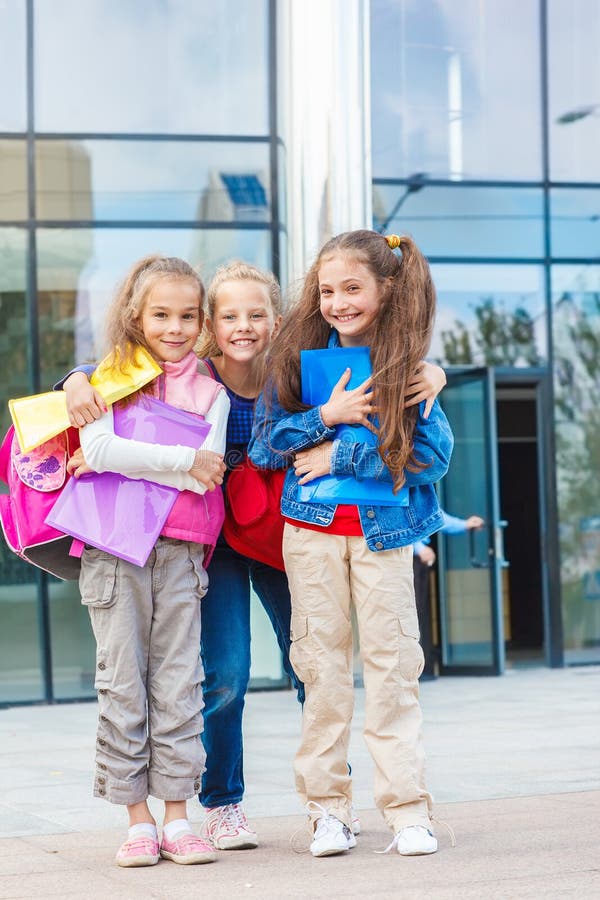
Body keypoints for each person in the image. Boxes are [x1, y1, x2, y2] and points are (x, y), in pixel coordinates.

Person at [62, 257, 447, 852]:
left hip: (278, 532)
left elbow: (390, 388)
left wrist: (433, 373)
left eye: (257, 314)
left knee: (313, 665)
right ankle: (224, 804)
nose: (243, 326)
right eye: (228, 316)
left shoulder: (292, 370)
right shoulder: (196, 373)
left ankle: (332, 801)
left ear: (277, 319)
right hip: (215, 538)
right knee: (226, 674)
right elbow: (127, 364)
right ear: (210, 326)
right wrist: (75, 375)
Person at [248, 229, 454, 859]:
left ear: (386, 290)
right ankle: (328, 811)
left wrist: (344, 451)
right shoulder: (297, 358)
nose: (338, 301)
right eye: (328, 289)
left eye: (353, 288)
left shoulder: (411, 371)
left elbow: (433, 455)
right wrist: (322, 418)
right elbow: (264, 447)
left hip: (383, 535)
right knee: (321, 670)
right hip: (309, 533)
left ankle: (408, 812)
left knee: (394, 670)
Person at [65, 255, 230, 868]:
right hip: (114, 550)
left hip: (182, 550)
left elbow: (208, 468)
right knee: (122, 681)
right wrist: (176, 460)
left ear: (202, 320)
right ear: (137, 315)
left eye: (188, 315)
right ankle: (136, 821)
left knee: (178, 683)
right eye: (161, 314)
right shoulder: (106, 376)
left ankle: (178, 818)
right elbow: (98, 447)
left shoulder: (211, 392)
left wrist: (157, 460)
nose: (175, 327)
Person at [413, 512, 485, 679]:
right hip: (407, 558)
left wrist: (464, 524)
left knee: (417, 613)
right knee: (409, 615)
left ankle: (417, 669)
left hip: (418, 560)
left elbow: (434, 515)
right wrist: (419, 547)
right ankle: (410, 671)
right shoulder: (404, 486)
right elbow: (398, 518)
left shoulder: (419, 489)